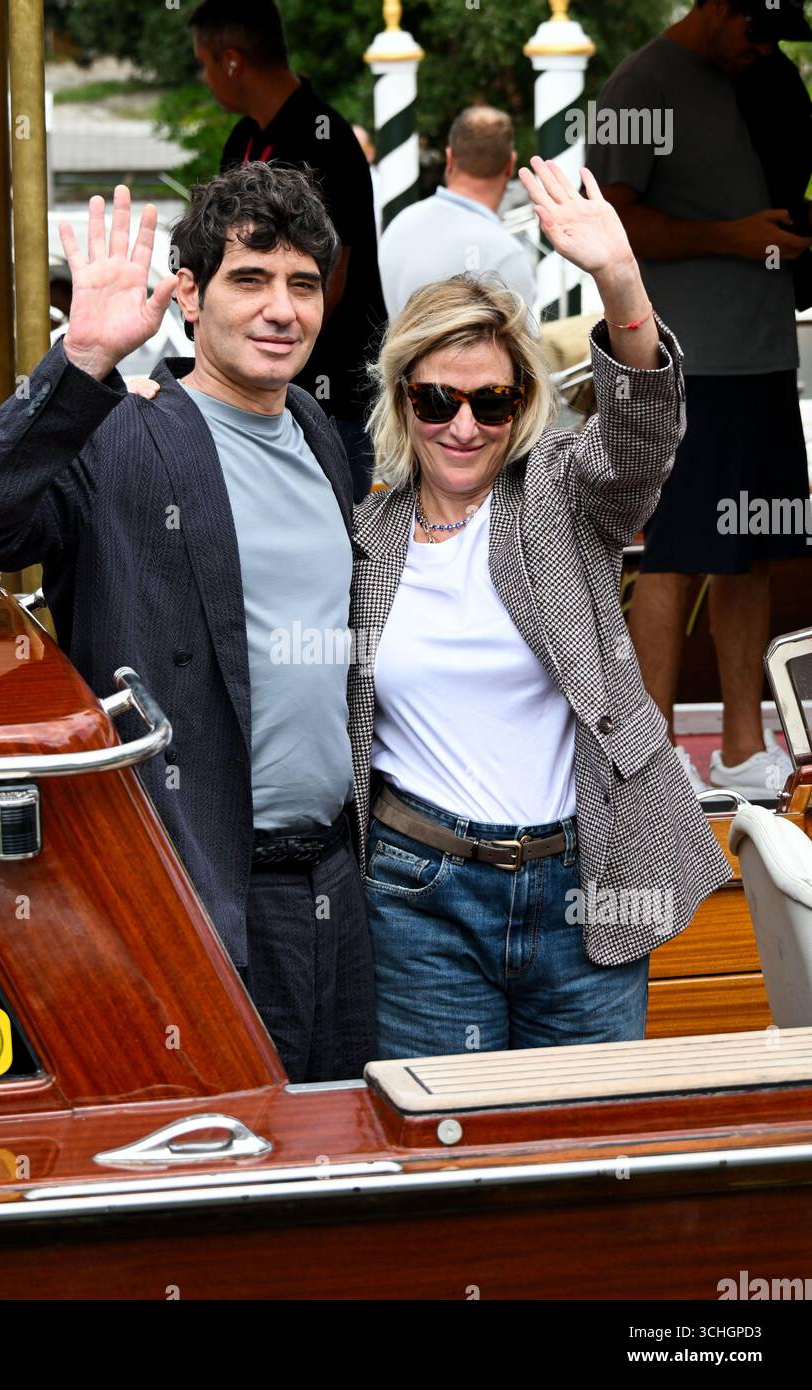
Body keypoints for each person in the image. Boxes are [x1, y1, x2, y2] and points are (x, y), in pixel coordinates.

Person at [0, 164, 376, 1084]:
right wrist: (83, 361)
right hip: (196, 888)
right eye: (248, 281)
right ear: (188, 294)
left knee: (339, 1168)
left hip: (335, 883)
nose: (279, 310)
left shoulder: (319, 434)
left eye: (300, 284)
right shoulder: (121, 434)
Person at [347, 156, 732, 1059]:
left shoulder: (560, 489)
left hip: (585, 877)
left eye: (492, 400)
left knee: (594, 1149)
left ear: (522, 403)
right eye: (437, 399)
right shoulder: (361, 530)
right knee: (446, 1157)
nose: (463, 425)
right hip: (416, 892)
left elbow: (641, 437)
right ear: (404, 396)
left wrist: (618, 277)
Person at [585, 0, 812, 800]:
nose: (767, 48)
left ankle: (744, 749)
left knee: (746, 551)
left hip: (760, 354)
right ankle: (651, 759)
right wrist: (732, 235)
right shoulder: (642, 85)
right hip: (684, 360)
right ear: (716, 6)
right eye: (756, 30)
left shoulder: (759, 80)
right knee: (676, 549)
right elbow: (606, 219)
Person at [187, 0, 386, 502]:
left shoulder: (324, 136)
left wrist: (274, 351)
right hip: (248, 383)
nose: (205, 78)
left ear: (231, 60)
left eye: (205, 63)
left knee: (327, 520)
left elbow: (332, 270)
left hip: (328, 389)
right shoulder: (245, 138)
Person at [379, 105, 537, 321]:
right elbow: (521, 346)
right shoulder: (504, 253)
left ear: (450, 158)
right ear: (510, 164)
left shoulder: (400, 224)